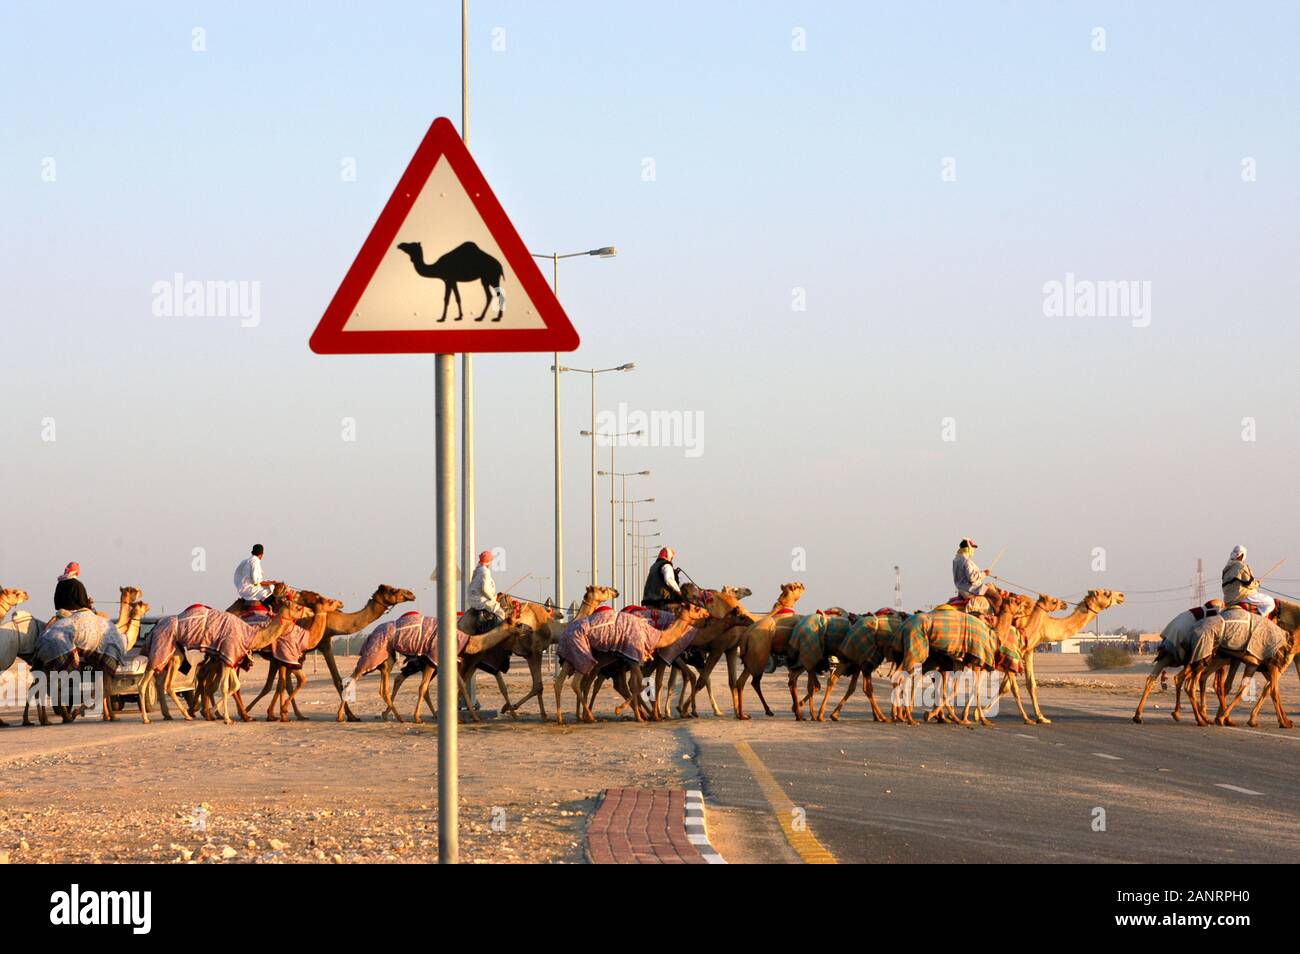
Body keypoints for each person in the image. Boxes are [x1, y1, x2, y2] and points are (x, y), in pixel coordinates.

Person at [1221, 545, 1276, 617]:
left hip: (1228, 599)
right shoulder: (1242, 566)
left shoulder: (1226, 568)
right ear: (1243, 555)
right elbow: (1249, 583)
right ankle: (1259, 619)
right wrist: (1257, 583)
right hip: (1242, 595)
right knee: (1270, 602)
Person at [466, 550, 504, 634]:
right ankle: (485, 631)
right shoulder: (485, 571)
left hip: (473, 599)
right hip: (480, 600)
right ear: (489, 562)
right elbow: (485, 589)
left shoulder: (477, 570)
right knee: (501, 613)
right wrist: (493, 598)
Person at [233, 544, 279, 610]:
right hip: (250, 589)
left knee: (269, 586)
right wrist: (273, 583)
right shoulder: (255, 562)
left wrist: (270, 582)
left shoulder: (245, 561)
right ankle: (270, 610)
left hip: (242, 588)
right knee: (272, 590)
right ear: (262, 554)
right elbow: (257, 582)